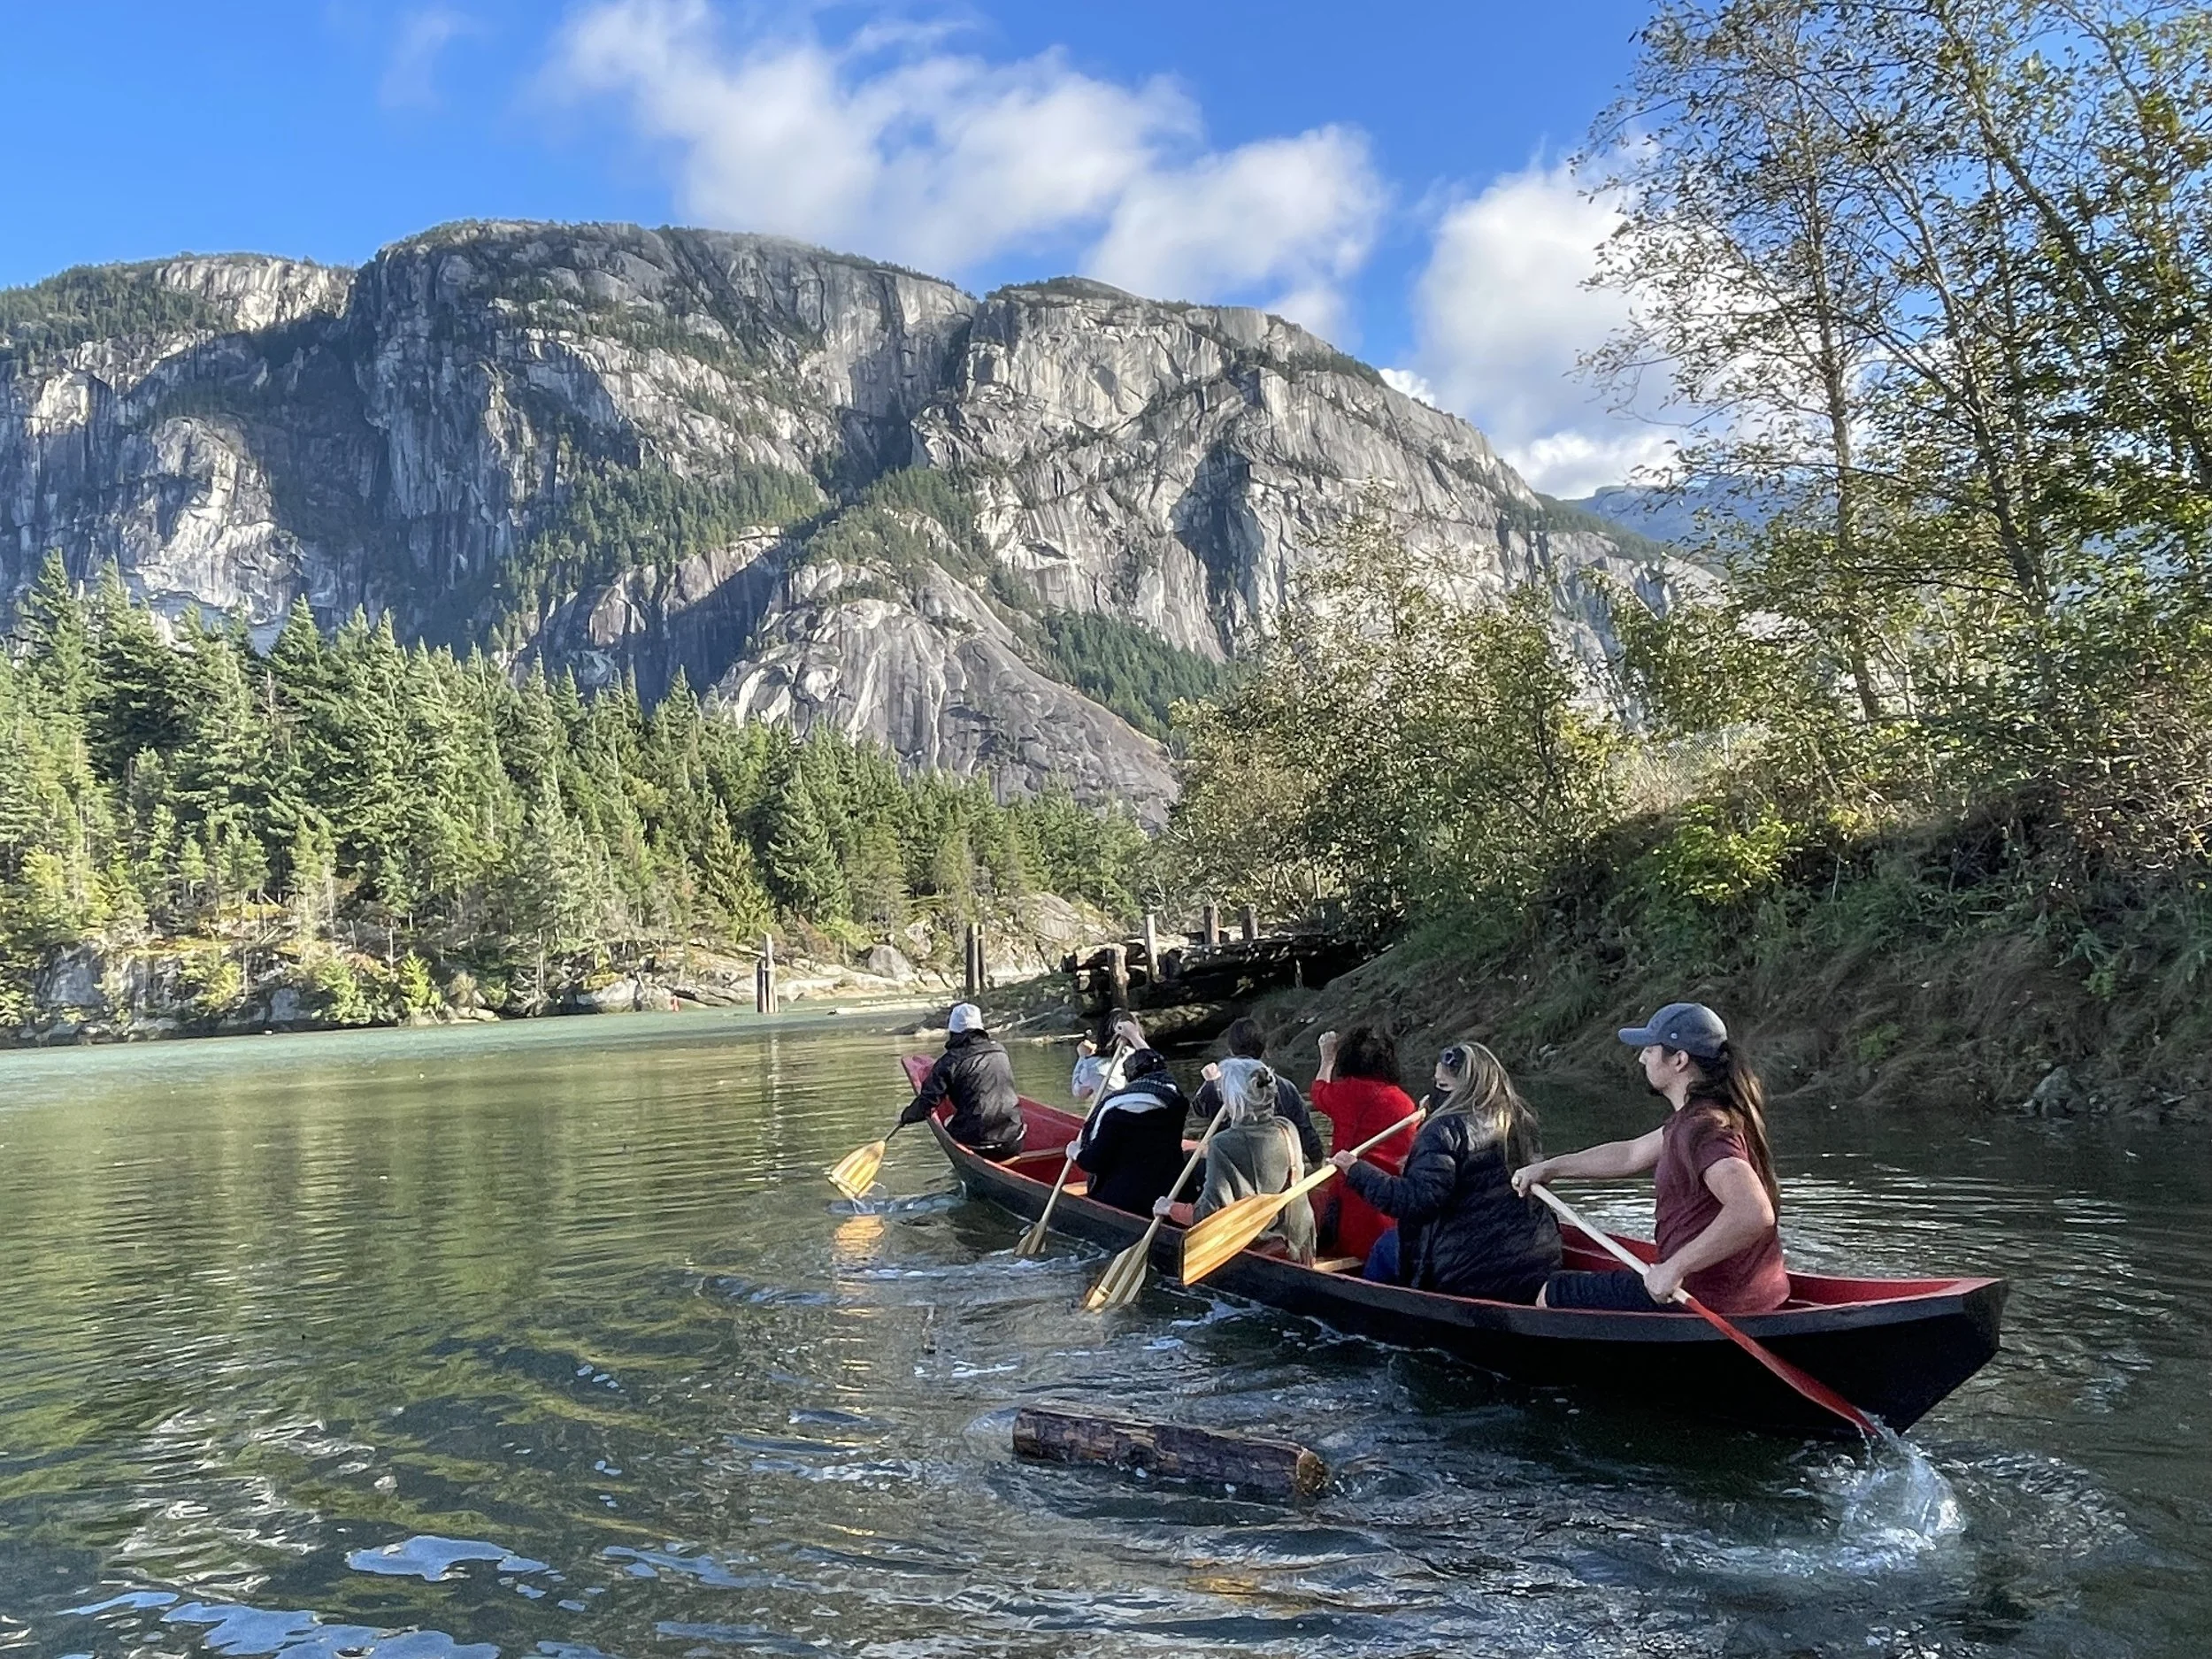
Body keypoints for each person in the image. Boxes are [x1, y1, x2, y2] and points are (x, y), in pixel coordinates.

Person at [1512, 1002, 1790, 1315]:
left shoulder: (1704, 1129)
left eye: (1650, 1049)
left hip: (1706, 1302)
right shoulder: (1709, 1115)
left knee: (1552, 1293)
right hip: (1759, 1295)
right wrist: (1551, 1168)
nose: (1642, 1057)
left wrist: (1674, 1267)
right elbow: (1630, 1154)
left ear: (1680, 1060)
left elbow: (1753, 1211)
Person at [1333, 1041, 1559, 1300]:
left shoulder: (1444, 1130)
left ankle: (1370, 1310)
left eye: (1442, 1087)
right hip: (1539, 1256)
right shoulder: (1520, 1119)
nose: (1433, 1095)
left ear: (1464, 1089)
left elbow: (1417, 1202)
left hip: (1468, 1267)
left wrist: (1357, 1171)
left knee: (1386, 1246)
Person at [1152, 1056, 1316, 1263]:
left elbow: (1207, 1215)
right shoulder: (1287, 1128)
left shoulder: (1223, 1144)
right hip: (1300, 1242)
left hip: (1260, 1245)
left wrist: (1170, 1208)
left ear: (1232, 1099)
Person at [1310, 1025, 1420, 1262]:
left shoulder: (1345, 1093)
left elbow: (1318, 1093)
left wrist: (1327, 1059)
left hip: (1353, 1219)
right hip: (1393, 1218)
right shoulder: (1405, 1103)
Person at [1187, 1018, 1325, 1163]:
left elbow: (1198, 1109)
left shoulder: (1216, 1087)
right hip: (1275, 1167)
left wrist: (1210, 1082)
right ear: (1264, 1049)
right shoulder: (1285, 1087)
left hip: (1231, 1165)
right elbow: (1306, 1132)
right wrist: (1317, 1162)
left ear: (1230, 1049)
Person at [1071, 1048, 1191, 1213]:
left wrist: (1076, 1152)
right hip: (1172, 1194)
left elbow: (1092, 1163)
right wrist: (1132, 1034)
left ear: (1128, 1077)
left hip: (1123, 1200)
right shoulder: (1177, 1104)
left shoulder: (1113, 1114)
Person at [900, 1002, 1023, 1158]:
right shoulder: (1000, 1050)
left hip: (980, 1145)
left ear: (953, 1031)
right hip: (1015, 1140)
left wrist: (906, 1117)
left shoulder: (949, 1062)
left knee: (949, 1123)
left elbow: (927, 1103)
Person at [1071, 1012, 1144, 1103]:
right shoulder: (1146, 1059)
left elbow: (1079, 1093)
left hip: (1115, 1114)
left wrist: (1083, 1057)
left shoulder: (1092, 1066)